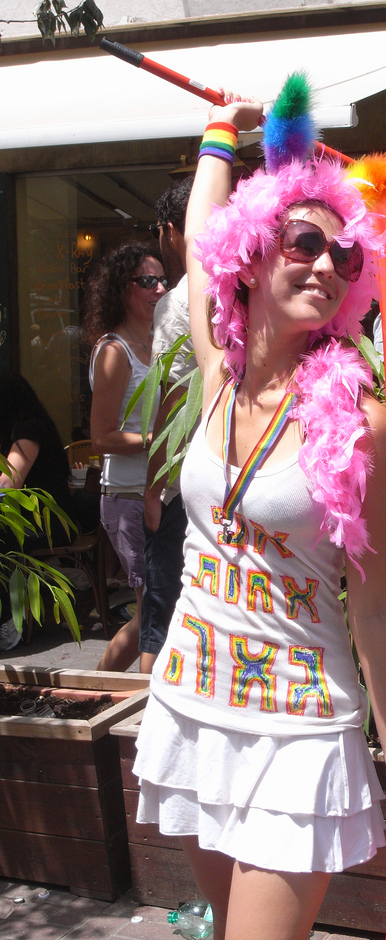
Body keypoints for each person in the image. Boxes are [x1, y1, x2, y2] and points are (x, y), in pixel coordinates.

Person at [133, 75, 386, 940]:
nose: (326, 262)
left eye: (346, 255)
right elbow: (194, 237)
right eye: (305, 241)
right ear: (254, 251)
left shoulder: (361, 425)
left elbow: (376, 600)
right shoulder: (219, 368)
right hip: (195, 703)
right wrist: (220, 138)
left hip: (298, 722)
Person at [84, 241, 167, 670]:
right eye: (147, 281)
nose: (158, 290)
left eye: (162, 281)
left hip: (161, 491)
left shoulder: (160, 342)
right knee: (154, 610)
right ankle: (108, 694)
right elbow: (101, 438)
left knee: (156, 609)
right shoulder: (115, 351)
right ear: (122, 288)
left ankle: (104, 692)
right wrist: (158, 438)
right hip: (128, 495)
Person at [139, 178, 194, 674]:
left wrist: (155, 488)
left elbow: (173, 403)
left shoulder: (178, 305)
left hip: (190, 483)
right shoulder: (254, 291)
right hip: (252, 476)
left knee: (163, 614)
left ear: (170, 232)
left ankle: (144, 736)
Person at [0, 372, 75, 650]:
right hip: (32, 517)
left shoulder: (28, 430)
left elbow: (9, 482)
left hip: (51, 520)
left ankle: (8, 621)